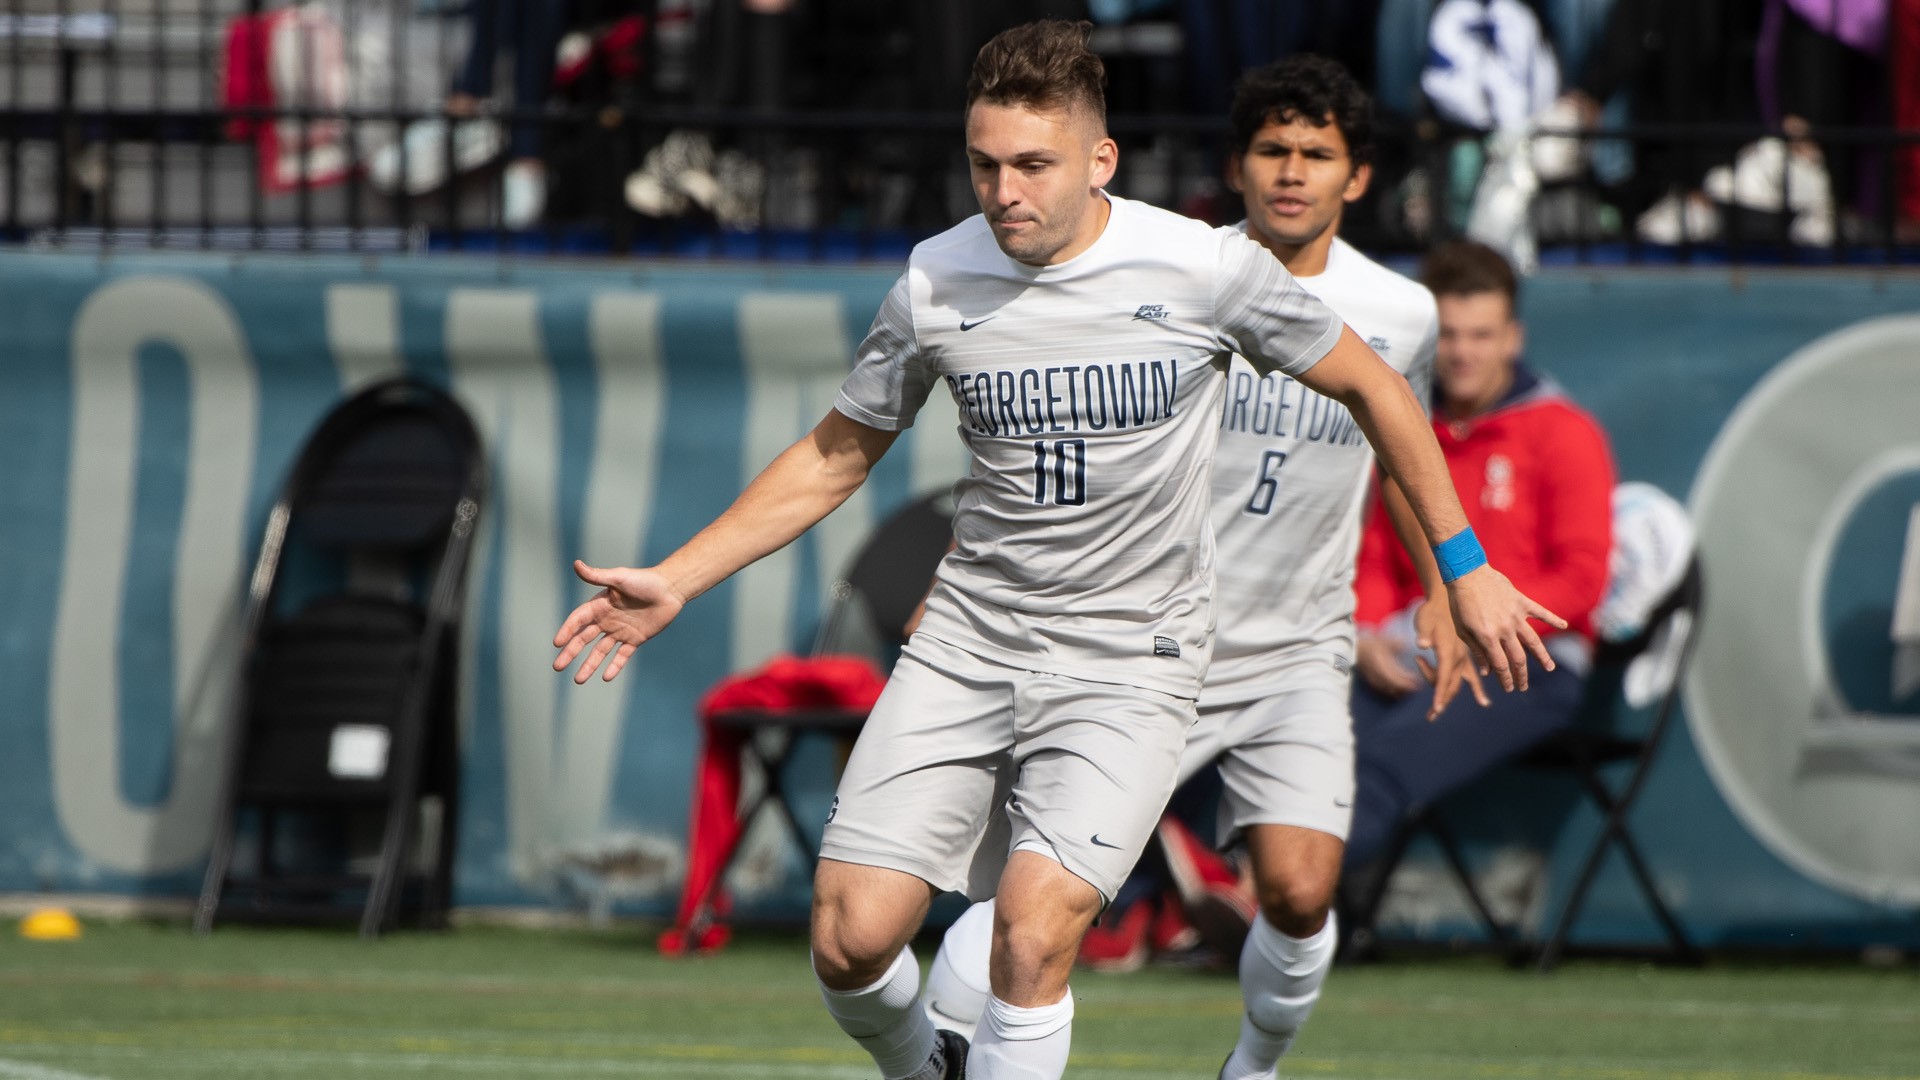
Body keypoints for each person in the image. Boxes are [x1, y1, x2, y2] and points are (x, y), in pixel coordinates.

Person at [553, 22, 1560, 1080]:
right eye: (984, 164)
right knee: (850, 942)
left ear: (1099, 159)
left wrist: (1465, 569)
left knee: (1034, 937)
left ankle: (1252, 1064)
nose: (1004, 191)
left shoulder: (1205, 267)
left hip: (1137, 661)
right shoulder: (936, 280)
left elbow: (1378, 389)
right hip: (969, 647)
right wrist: (674, 577)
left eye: (1032, 164)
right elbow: (835, 455)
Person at [919, 54, 1488, 1080]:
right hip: (1145, 644)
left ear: (1357, 179)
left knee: (1304, 892)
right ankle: (939, 1054)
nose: (1292, 172)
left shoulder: (1398, 311)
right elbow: (1054, 464)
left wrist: (1447, 585)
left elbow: (1396, 451)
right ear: (1237, 165)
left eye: (1318, 154)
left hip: (1298, 649)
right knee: (1036, 904)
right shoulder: (1172, 272)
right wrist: (960, 573)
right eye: (1273, 149)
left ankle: (1253, 1070)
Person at [1344, 239, 1615, 870]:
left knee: (1382, 765)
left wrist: (1480, 628)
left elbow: (1582, 581)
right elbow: (1377, 558)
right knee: (1295, 743)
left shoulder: (1564, 432)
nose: (1463, 353)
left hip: (1531, 660)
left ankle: (1266, 904)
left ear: (1512, 338)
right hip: (1412, 647)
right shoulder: (1405, 430)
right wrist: (1364, 637)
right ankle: (1205, 898)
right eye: (1450, 335)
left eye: (1482, 335)